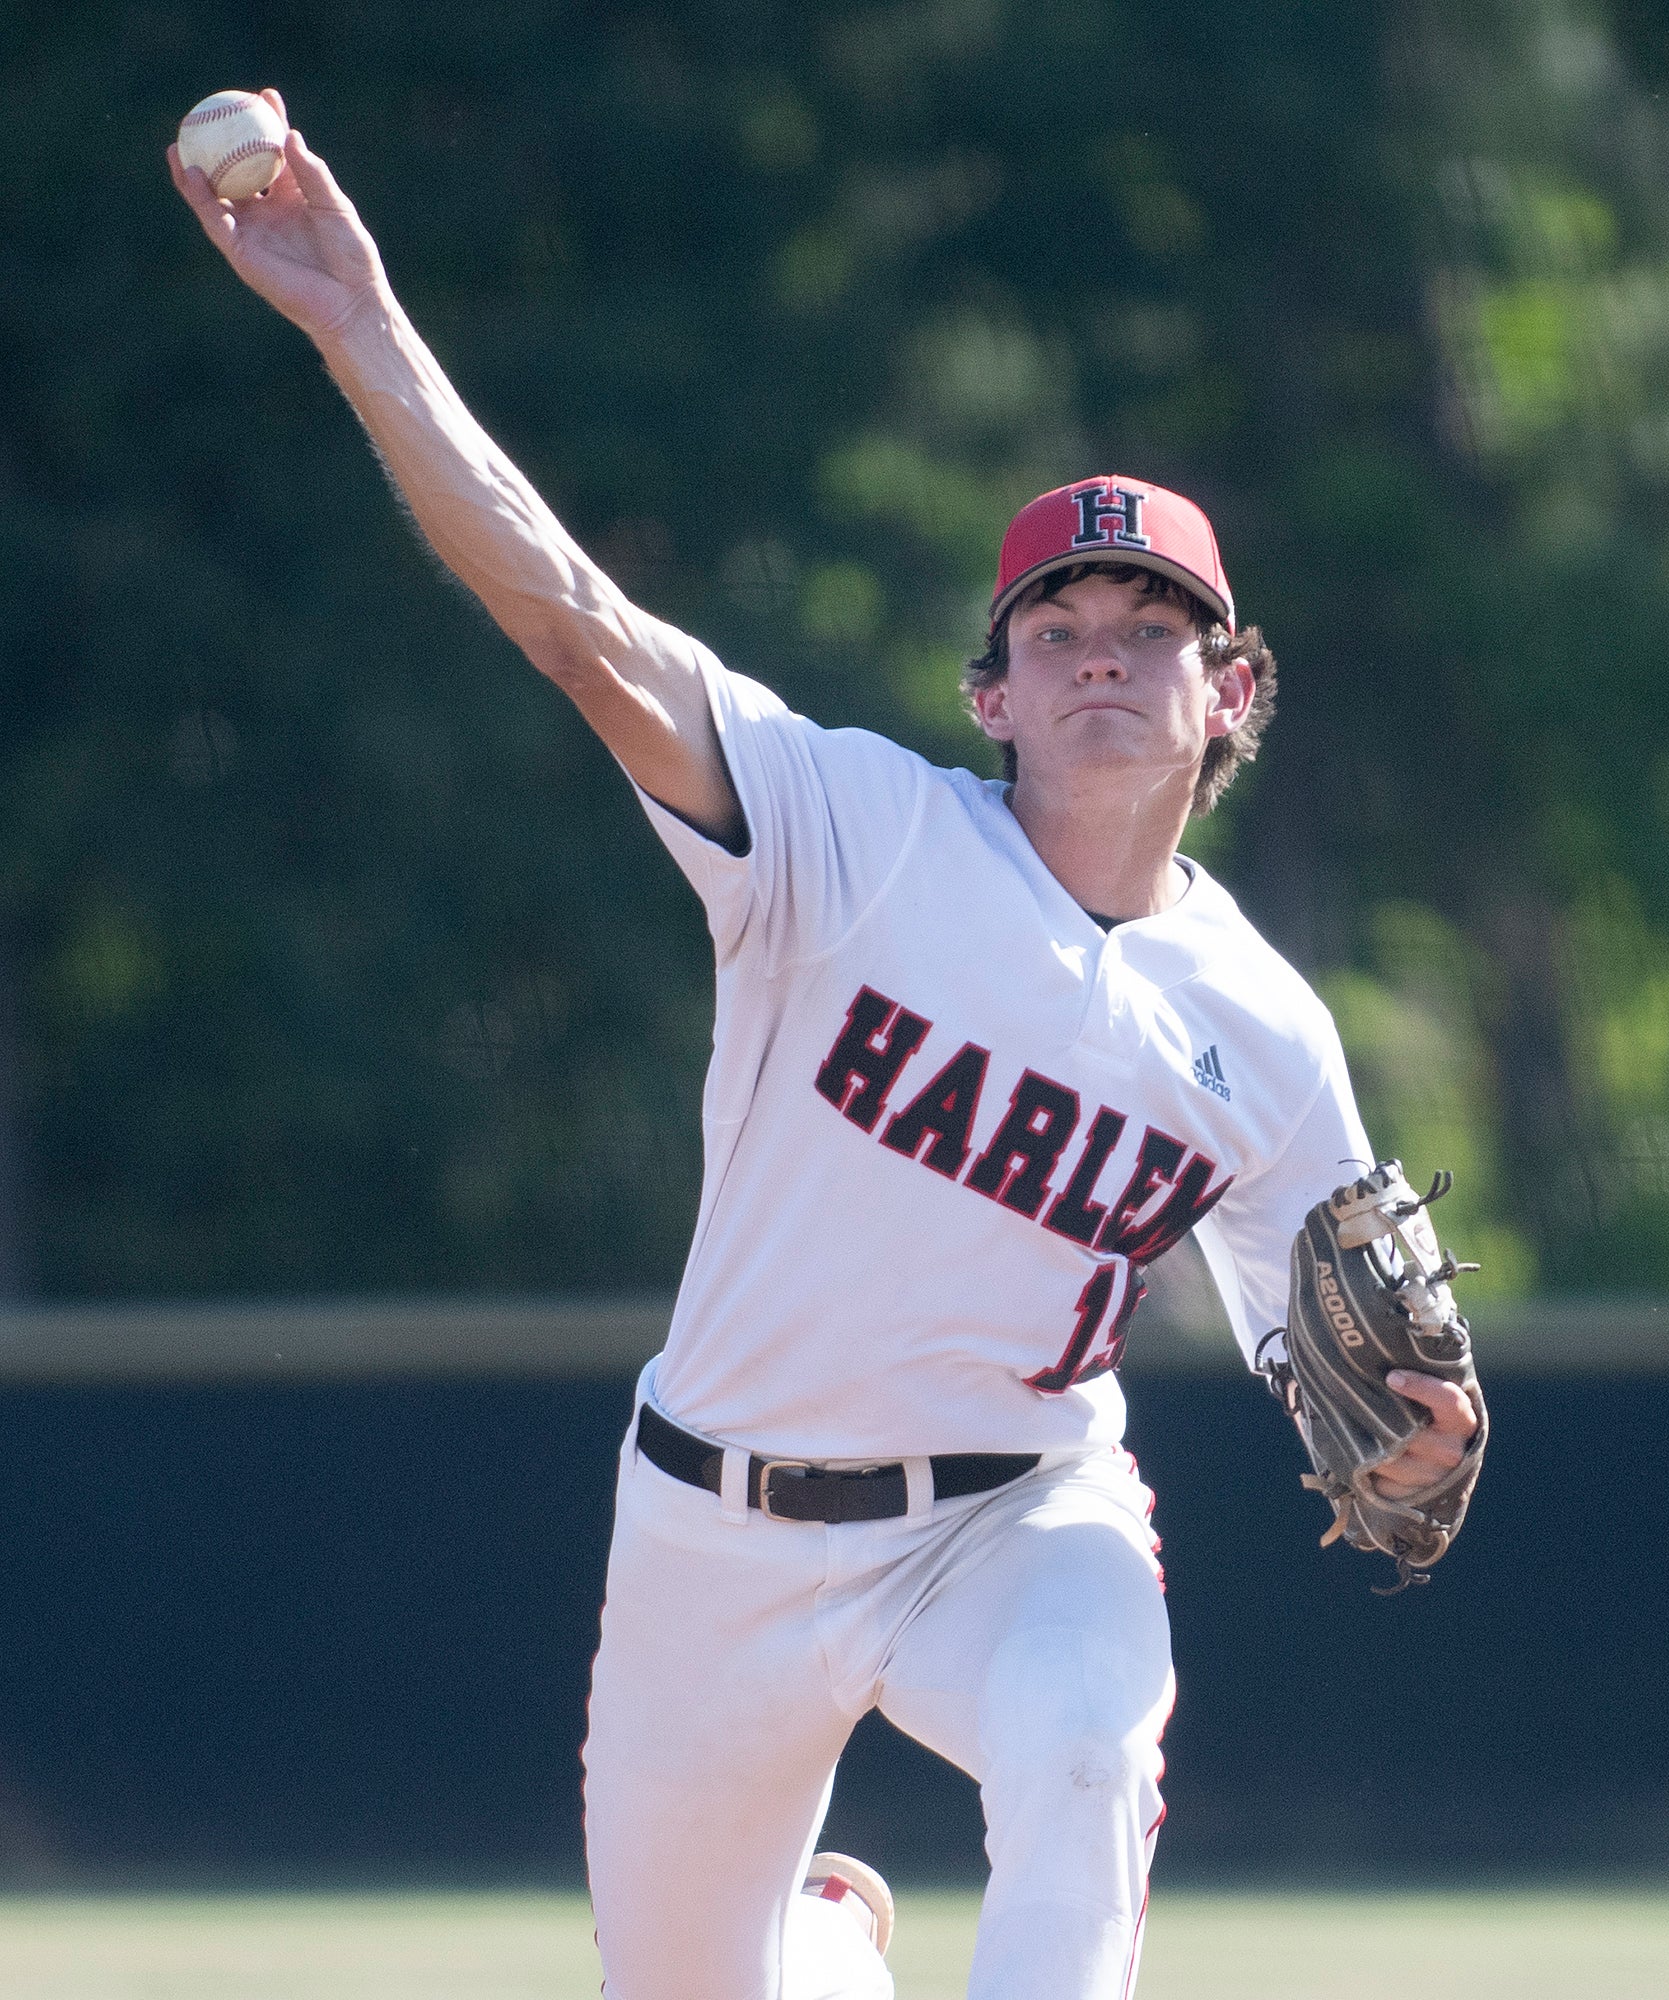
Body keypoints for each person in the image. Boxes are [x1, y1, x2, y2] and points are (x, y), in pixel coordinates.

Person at [171, 93, 1480, 2000]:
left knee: (1087, 1745)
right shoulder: (848, 831)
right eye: (1059, 622)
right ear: (992, 689)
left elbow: (1343, 1347)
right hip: (721, 1524)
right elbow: (576, 626)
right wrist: (361, 326)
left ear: (1232, 691)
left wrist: (1427, 1434)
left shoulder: (1269, 1037)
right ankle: (816, 1948)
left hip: (1020, 1516)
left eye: (1155, 620)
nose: (1104, 650)